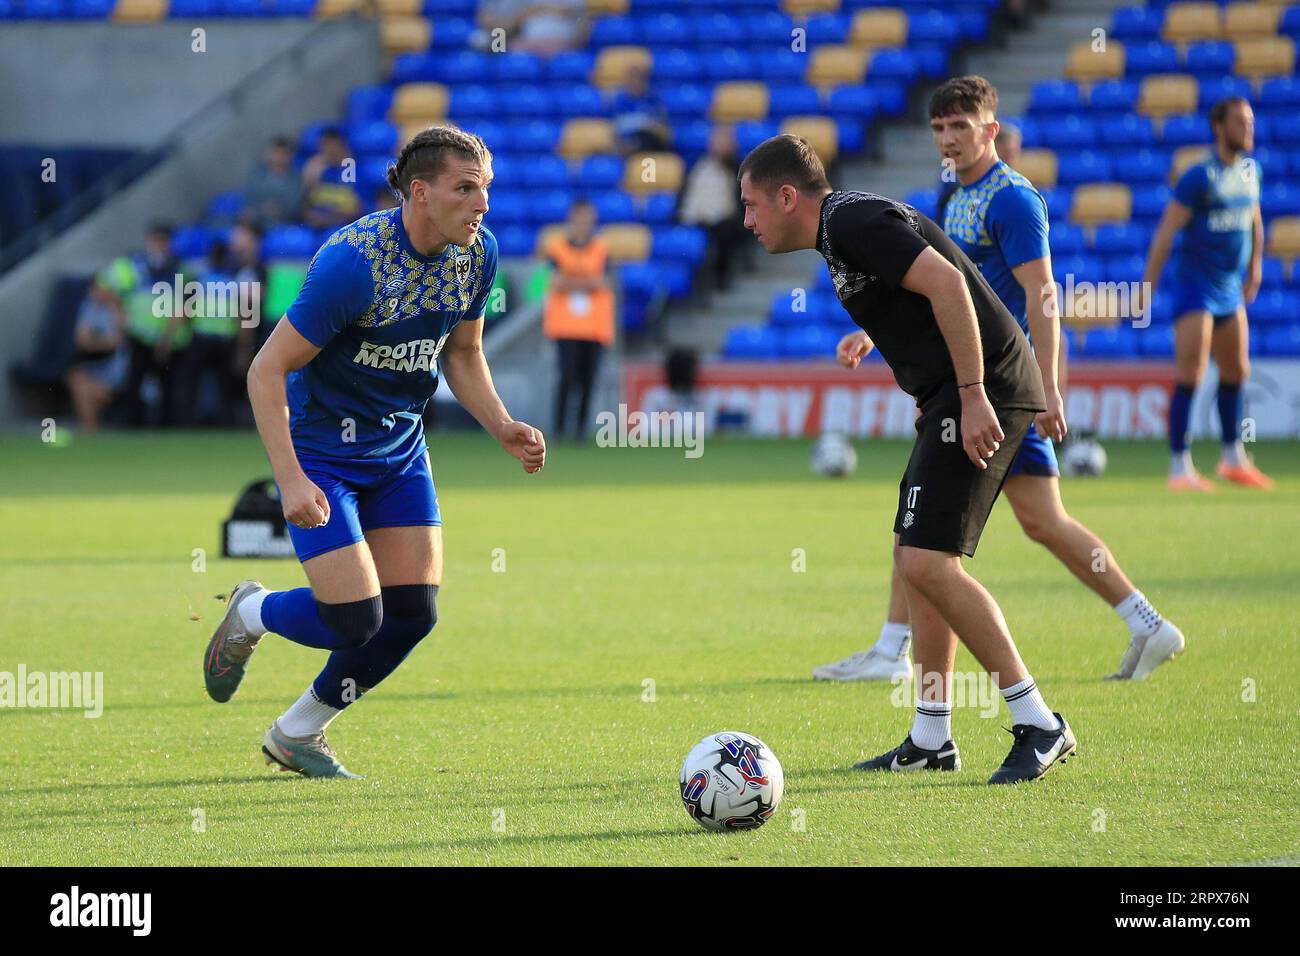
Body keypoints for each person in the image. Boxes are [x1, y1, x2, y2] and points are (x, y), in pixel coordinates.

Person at [203, 125, 546, 778]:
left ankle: (297, 732)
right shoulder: (354, 261)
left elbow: (465, 353)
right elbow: (265, 371)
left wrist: (501, 424)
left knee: (412, 614)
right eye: (466, 189)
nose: (482, 205)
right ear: (420, 193)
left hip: (398, 449)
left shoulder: (478, 256)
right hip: (322, 454)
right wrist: (291, 481)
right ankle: (250, 612)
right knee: (355, 618)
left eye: (487, 190)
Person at [815, 76, 1183, 684]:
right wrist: (876, 334)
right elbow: (941, 289)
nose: (948, 139)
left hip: (996, 389)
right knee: (1036, 521)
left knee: (924, 516)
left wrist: (1051, 387)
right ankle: (1147, 623)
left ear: (991, 130)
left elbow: (1043, 297)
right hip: (981, 383)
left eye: (960, 126)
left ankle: (892, 651)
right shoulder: (956, 196)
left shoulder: (1012, 200)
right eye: (939, 128)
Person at [739, 133, 1075, 784]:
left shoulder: (855, 220)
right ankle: (930, 735)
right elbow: (923, 294)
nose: (747, 222)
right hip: (952, 393)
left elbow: (950, 283)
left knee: (928, 560)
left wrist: (973, 395)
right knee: (914, 555)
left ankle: (1038, 720)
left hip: (985, 390)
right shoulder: (843, 230)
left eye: (752, 206)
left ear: (788, 197)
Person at [1142, 96, 1272, 491]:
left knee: (1236, 371)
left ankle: (1233, 458)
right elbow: (1166, 232)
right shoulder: (1200, 177)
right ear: (1219, 127)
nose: (1247, 129)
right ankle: (1180, 467)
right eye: (1239, 122)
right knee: (1191, 374)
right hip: (1195, 288)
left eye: (1249, 122)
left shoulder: (1251, 172)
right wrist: (1148, 286)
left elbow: (1255, 220)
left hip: (1230, 289)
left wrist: (1255, 267)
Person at [98, 222, 188, 427]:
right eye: (156, 240)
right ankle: (135, 426)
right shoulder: (133, 266)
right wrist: (119, 314)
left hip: (170, 338)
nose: (159, 246)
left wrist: (167, 339)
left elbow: (183, 305)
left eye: (163, 241)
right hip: (138, 335)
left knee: (168, 386)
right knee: (134, 382)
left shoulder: (179, 268)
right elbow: (102, 286)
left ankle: (167, 428)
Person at [543, 198, 614, 439]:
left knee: (588, 381)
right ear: (572, 220)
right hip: (565, 326)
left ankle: (581, 431)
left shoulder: (601, 249)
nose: (584, 224)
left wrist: (571, 280)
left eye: (588, 219)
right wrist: (588, 281)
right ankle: (560, 428)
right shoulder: (558, 248)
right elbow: (554, 282)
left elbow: (604, 282)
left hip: (594, 327)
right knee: (566, 377)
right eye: (580, 219)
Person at [679, 125, 745, 295]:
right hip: (694, 218)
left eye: (724, 142)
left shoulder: (738, 168)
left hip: (723, 219)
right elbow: (684, 195)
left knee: (726, 232)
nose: (718, 145)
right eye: (716, 141)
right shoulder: (698, 166)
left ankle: (720, 279)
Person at [64, 281, 129, 433]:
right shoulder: (91, 307)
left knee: (91, 391)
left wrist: (98, 339)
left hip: (122, 368)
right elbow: (82, 340)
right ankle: (91, 431)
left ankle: (91, 431)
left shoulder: (122, 307)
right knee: (77, 380)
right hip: (99, 365)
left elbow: (120, 340)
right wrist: (106, 341)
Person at [302, 127, 362, 231]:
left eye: (333, 145)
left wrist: (331, 218)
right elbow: (306, 209)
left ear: (342, 145)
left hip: (346, 227)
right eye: (325, 145)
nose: (330, 150)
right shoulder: (316, 168)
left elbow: (355, 210)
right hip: (318, 227)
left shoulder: (352, 168)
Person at [610, 62, 672, 155]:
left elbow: (663, 130)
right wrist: (646, 123)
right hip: (627, 145)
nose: (636, 82)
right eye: (632, 79)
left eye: (639, 78)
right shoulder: (620, 101)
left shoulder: (653, 100)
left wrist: (655, 128)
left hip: (651, 145)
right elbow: (616, 127)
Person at [243, 137, 303, 227]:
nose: (279, 158)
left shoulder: (297, 179)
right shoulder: (257, 176)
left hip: (285, 223)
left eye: (284, 154)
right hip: (257, 222)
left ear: (291, 156)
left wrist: (280, 208)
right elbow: (250, 198)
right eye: (276, 153)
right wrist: (262, 208)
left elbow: (295, 204)